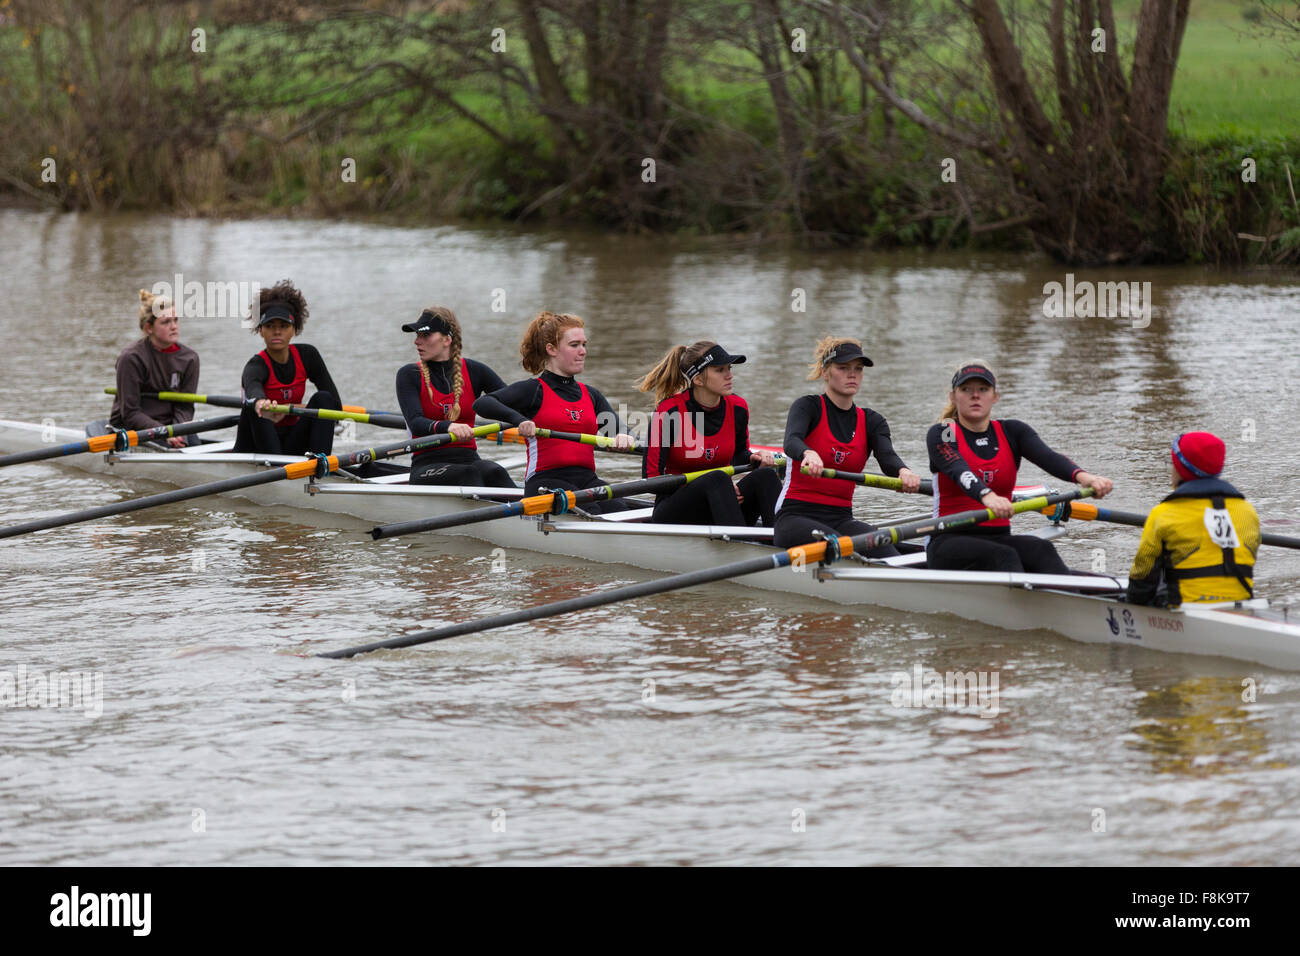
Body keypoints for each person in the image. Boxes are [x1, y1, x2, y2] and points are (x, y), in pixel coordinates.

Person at [926, 359, 1113, 572]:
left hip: (997, 538)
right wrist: (987, 495)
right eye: (966, 389)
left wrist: (1086, 478)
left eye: (983, 389)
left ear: (994, 397)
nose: (975, 395)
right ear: (953, 396)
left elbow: (1049, 458)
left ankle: (1075, 599)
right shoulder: (943, 432)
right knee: (1004, 556)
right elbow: (957, 469)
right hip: (947, 542)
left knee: (1041, 548)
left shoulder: (1013, 431)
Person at [473, 310, 635, 513]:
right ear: (551, 349)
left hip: (587, 480)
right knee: (592, 512)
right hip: (545, 483)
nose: (583, 351)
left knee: (619, 509)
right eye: (574, 345)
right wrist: (520, 420)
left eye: (584, 344)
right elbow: (483, 403)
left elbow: (619, 429)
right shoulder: (533, 390)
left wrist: (624, 436)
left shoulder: (591, 395)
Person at [773, 337, 921, 553]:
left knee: (886, 548)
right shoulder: (808, 406)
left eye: (858, 369)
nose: (852, 374)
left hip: (841, 518)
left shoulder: (872, 421)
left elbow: (888, 457)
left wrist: (904, 471)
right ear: (825, 372)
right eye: (843, 368)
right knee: (842, 545)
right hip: (795, 517)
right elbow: (791, 441)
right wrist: (808, 452)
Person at [637, 341, 782, 526]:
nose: (729, 375)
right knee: (717, 478)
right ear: (698, 380)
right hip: (676, 511)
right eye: (720, 370)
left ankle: (782, 542)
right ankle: (735, 548)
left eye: (729, 368)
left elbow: (738, 455)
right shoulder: (668, 412)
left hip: (723, 501)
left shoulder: (738, 407)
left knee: (766, 476)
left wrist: (755, 458)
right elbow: (651, 478)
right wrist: (712, 488)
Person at [1127, 432, 1259, 606]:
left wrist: (1132, 606)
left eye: (1172, 464)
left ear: (1182, 470)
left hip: (1185, 609)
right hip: (1242, 605)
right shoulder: (1247, 510)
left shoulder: (1164, 513)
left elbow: (1142, 575)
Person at [394, 306, 515, 488]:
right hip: (426, 464)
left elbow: (513, 403)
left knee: (494, 471)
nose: (417, 342)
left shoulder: (476, 371)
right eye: (417, 335)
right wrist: (449, 426)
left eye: (425, 335)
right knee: (468, 474)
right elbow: (416, 423)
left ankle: (532, 514)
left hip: (468, 458)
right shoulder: (409, 374)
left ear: (447, 339)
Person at [233, 280, 342, 455]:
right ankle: (279, 472)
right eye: (270, 326)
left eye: (283, 326)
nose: (277, 332)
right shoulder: (256, 365)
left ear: (294, 329)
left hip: (293, 441)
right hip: (260, 443)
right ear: (261, 331)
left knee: (324, 399)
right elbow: (253, 388)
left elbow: (336, 406)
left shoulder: (308, 356)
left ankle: (320, 465)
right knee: (253, 407)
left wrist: (295, 407)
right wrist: (261, 402)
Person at [108, 289, 200, 447]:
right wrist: (164, 432)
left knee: (193, 444)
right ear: (148, 328)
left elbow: (185, 407)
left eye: (176, 320)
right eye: (166, 322)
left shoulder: (190, 358)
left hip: (172, 427)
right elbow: (130, 413)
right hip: (133, 428)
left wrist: (178, 433)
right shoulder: (131, 359)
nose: (174, 327)